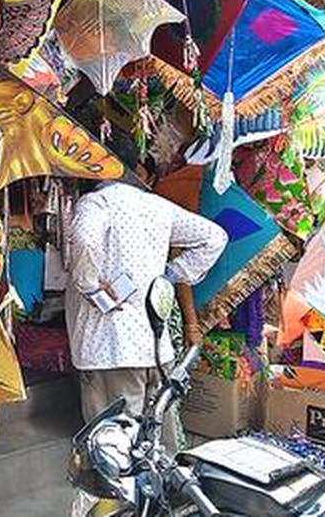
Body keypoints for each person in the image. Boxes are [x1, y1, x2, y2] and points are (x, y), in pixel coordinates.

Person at [66, 160, 228, 447]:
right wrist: (170, 275)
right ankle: (162, 491)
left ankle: (123, 493)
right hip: (155, 346)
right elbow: (214, 237)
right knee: (157, 437)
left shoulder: (96, 203)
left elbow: (84, 240)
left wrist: (90, 286)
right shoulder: (157, 206)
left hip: (110, 347)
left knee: (115, 445)